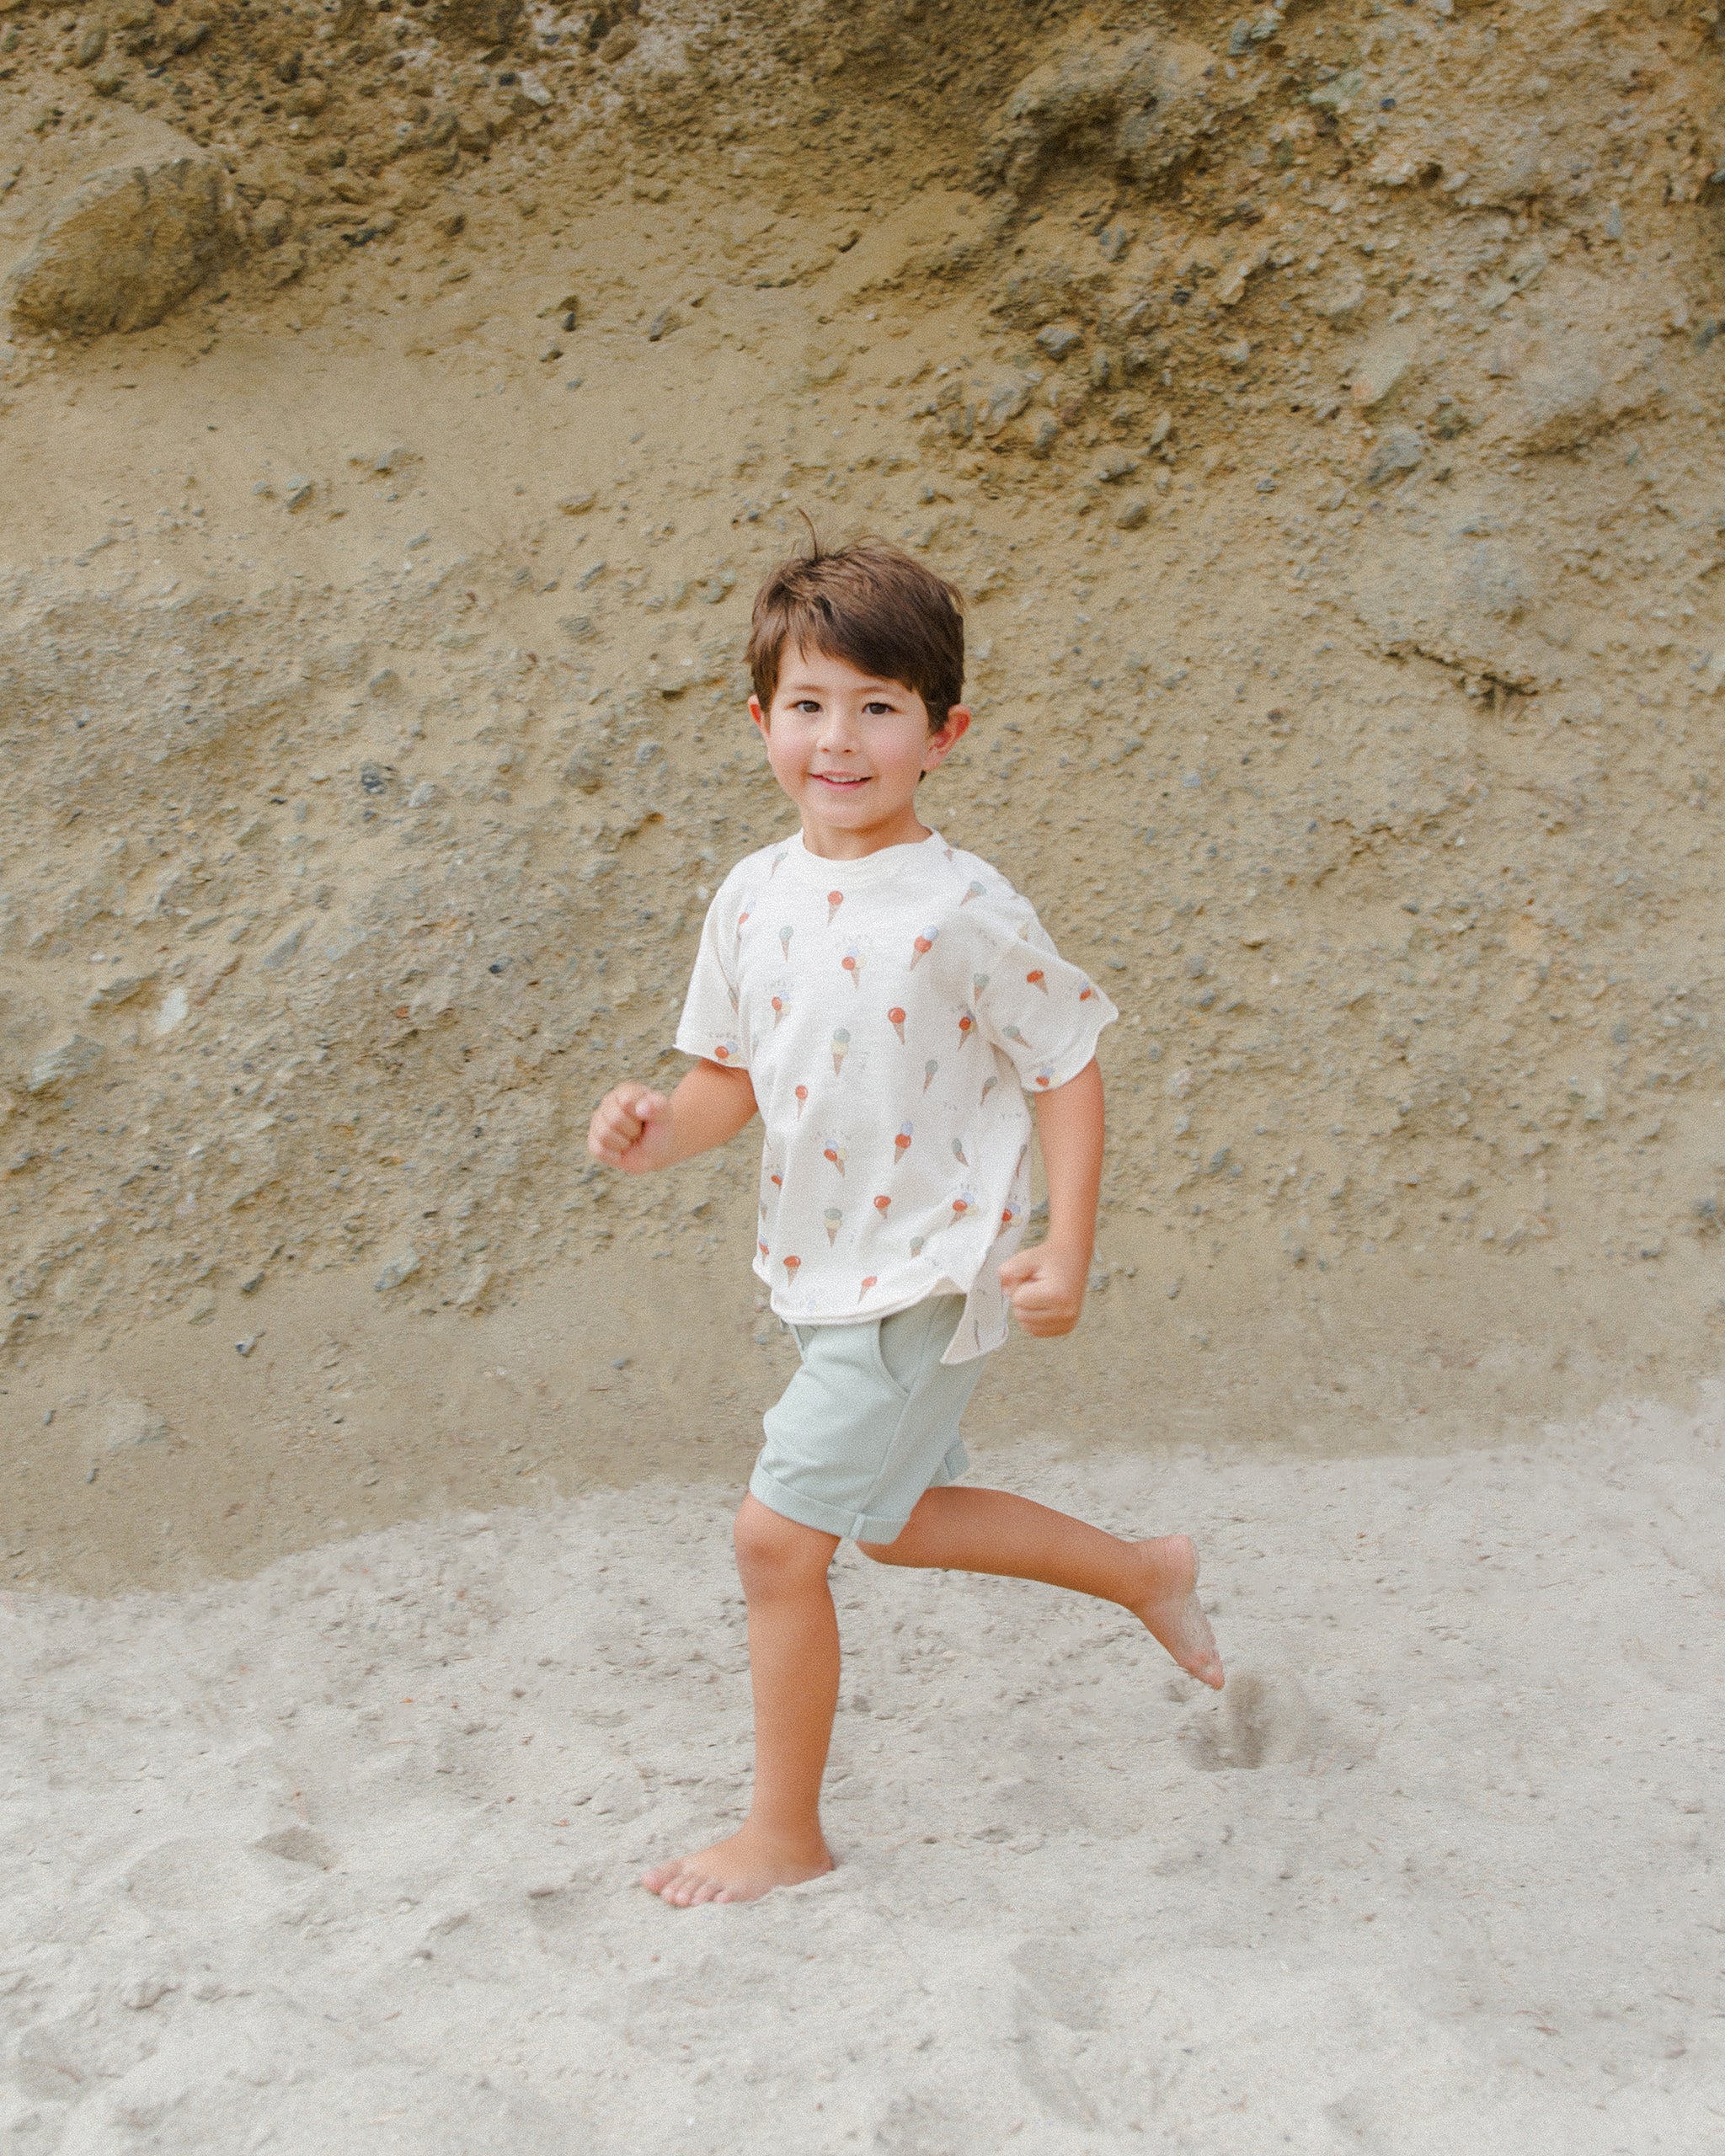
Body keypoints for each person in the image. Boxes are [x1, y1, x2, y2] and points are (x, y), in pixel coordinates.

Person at [586, 536, 1224, 1907]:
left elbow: (1066, 1061)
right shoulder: (752, 895)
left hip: (926, 1269)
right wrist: (657, 1134)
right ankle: (1143, 1573)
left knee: (776, 1541)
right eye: (809, 705)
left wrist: (1066, 1240)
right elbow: (729, 1081)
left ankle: (784, 1835)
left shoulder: (963, 908)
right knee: (897, 1518)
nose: (840, 739)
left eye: (878, 707)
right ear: (761, 721)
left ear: (943, 734)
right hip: (825, 1265)